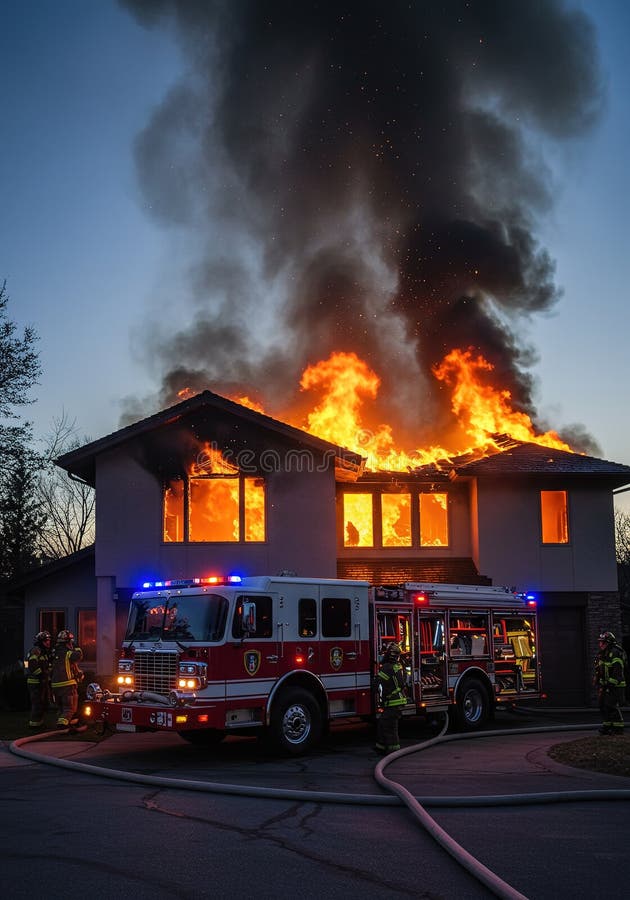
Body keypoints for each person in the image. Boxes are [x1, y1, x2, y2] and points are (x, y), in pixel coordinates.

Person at [375, 641, 407, 755]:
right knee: (384, 724)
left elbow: (378, 682)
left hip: (393, 702)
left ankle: (393, 751)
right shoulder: (397, 666)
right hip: (396, 701)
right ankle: (381, 747)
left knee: (389, 727)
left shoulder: (387, 668)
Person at [594, 631, 626, 735]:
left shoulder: (615, 652)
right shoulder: (603, 654)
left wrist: (611, 682)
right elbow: (600, 669)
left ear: (608, 643)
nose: (600, 644)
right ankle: (607, 726)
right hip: (605, 684)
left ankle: (618, 728)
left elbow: (617, 670)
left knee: (611, 705)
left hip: (615, 685)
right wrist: (597, 680)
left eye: (602, 642)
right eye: (600, 642)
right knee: (602, 705)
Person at [51, 630, 84, 729]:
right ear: (68, 642)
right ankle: (62, 725)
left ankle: (67, 722)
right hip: (67, 685)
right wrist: (77, 646)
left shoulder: (54, 653)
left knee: (62, 708)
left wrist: (78, 673)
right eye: (71, 642)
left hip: (55, 685)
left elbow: (69, 667)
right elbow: (79, 656)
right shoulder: (69, 653)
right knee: (70, 708)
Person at [26, 631, 52, 728]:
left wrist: (48, 676)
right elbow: (32, 664)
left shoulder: (44, 652)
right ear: (40, 641)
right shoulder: (36, 650)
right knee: (37, 703)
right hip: (35, 682)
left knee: (42, 703)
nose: (48, 642)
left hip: (41, 682)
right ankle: (34, 725)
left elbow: (47, 667)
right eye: (46, 641)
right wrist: (41, 675)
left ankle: (39, 723)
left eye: (49, 640)